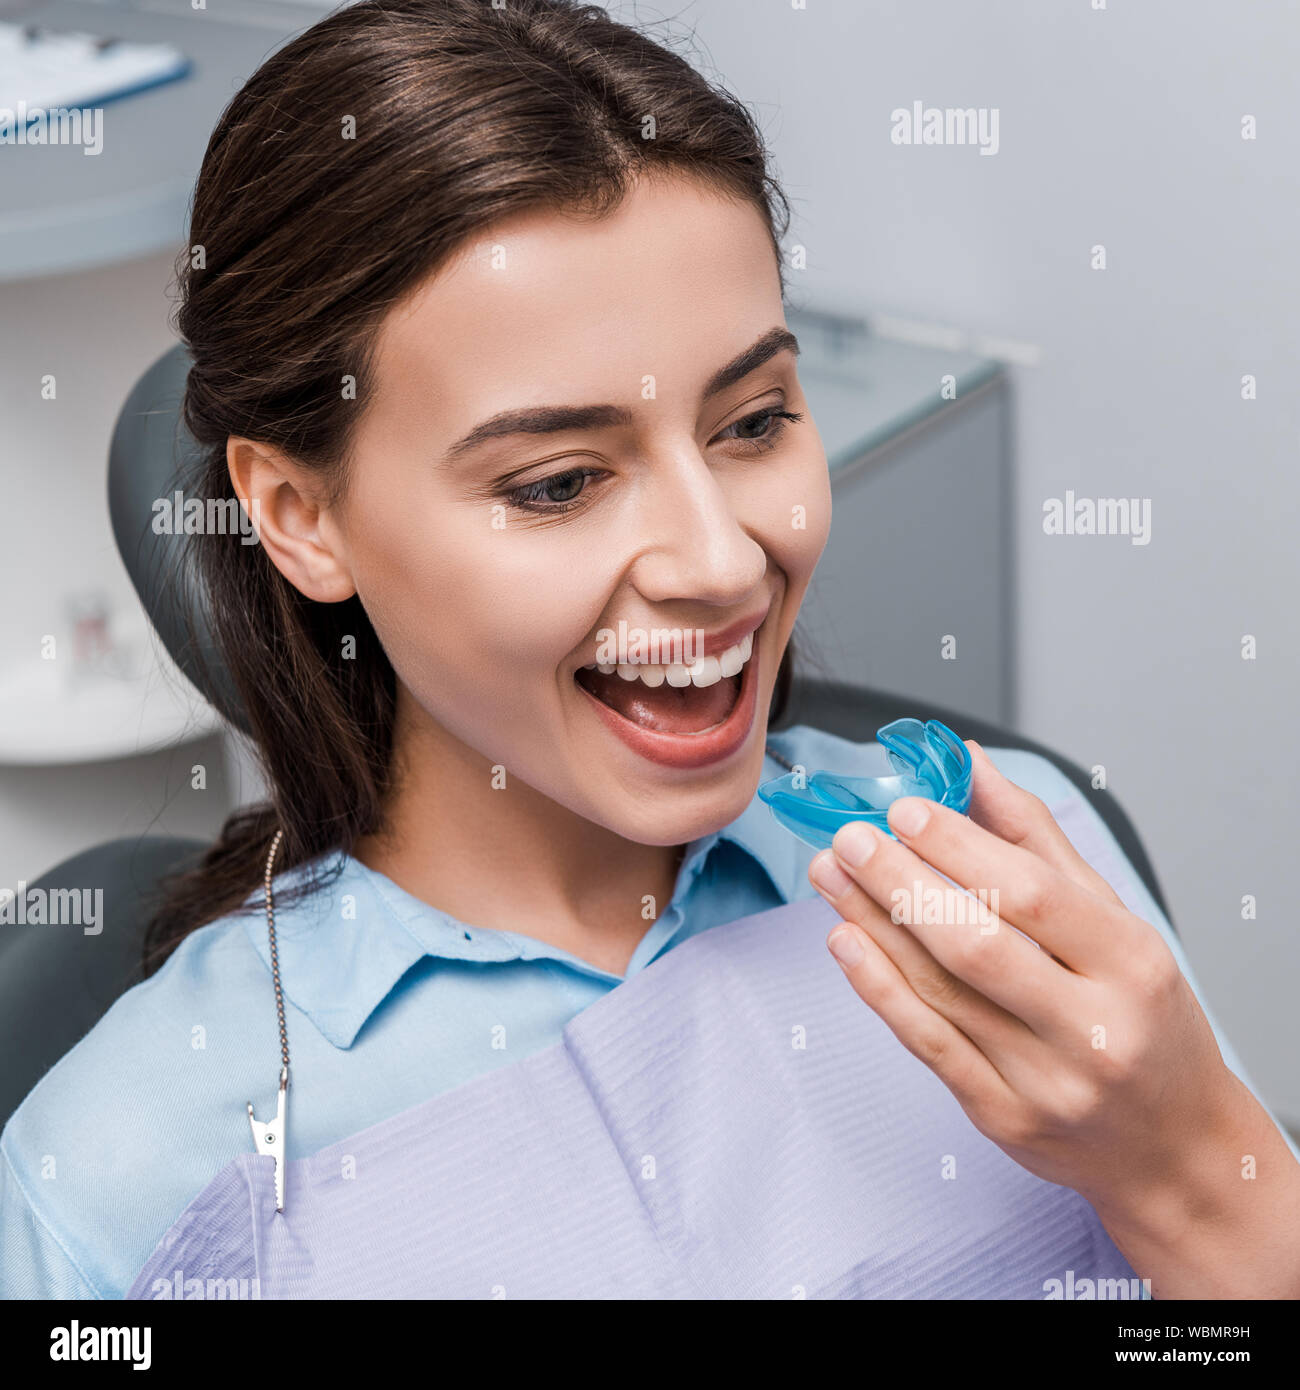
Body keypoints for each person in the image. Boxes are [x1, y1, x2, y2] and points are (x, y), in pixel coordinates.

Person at [2, 0, 1297, 1300]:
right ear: (299, 514)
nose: (723, 559)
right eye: (560, 482)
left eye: (753, 421)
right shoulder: (122, 1171)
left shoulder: (1023, 889)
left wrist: (1191, 1164)